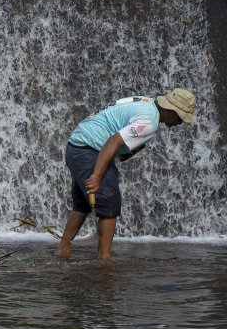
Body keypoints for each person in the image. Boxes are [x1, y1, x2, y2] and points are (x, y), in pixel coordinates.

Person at [56, 89, 195, 260]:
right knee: (109, 201)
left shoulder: (147, 103)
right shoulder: (149, 121)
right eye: (180, 117)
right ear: (170, 110)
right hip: (90, 149)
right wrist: (97, 176)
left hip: (77, 145)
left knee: (83, 204)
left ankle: (63, 250)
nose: (180, 122)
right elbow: (114, 141)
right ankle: (104, 260)